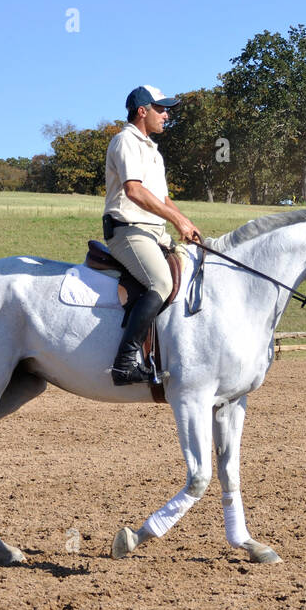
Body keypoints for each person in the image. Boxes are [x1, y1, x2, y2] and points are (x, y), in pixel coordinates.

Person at [102, 85, 202, 385]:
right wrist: (176, 220)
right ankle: (124, 363)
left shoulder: (152, 150)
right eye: (161, 109)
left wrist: (184, 221)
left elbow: (161, 198)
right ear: (142, 111)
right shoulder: (125, 142)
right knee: (161, 282)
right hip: (128, 231)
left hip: (155, 234)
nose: (166, 115)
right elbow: (134, 191)